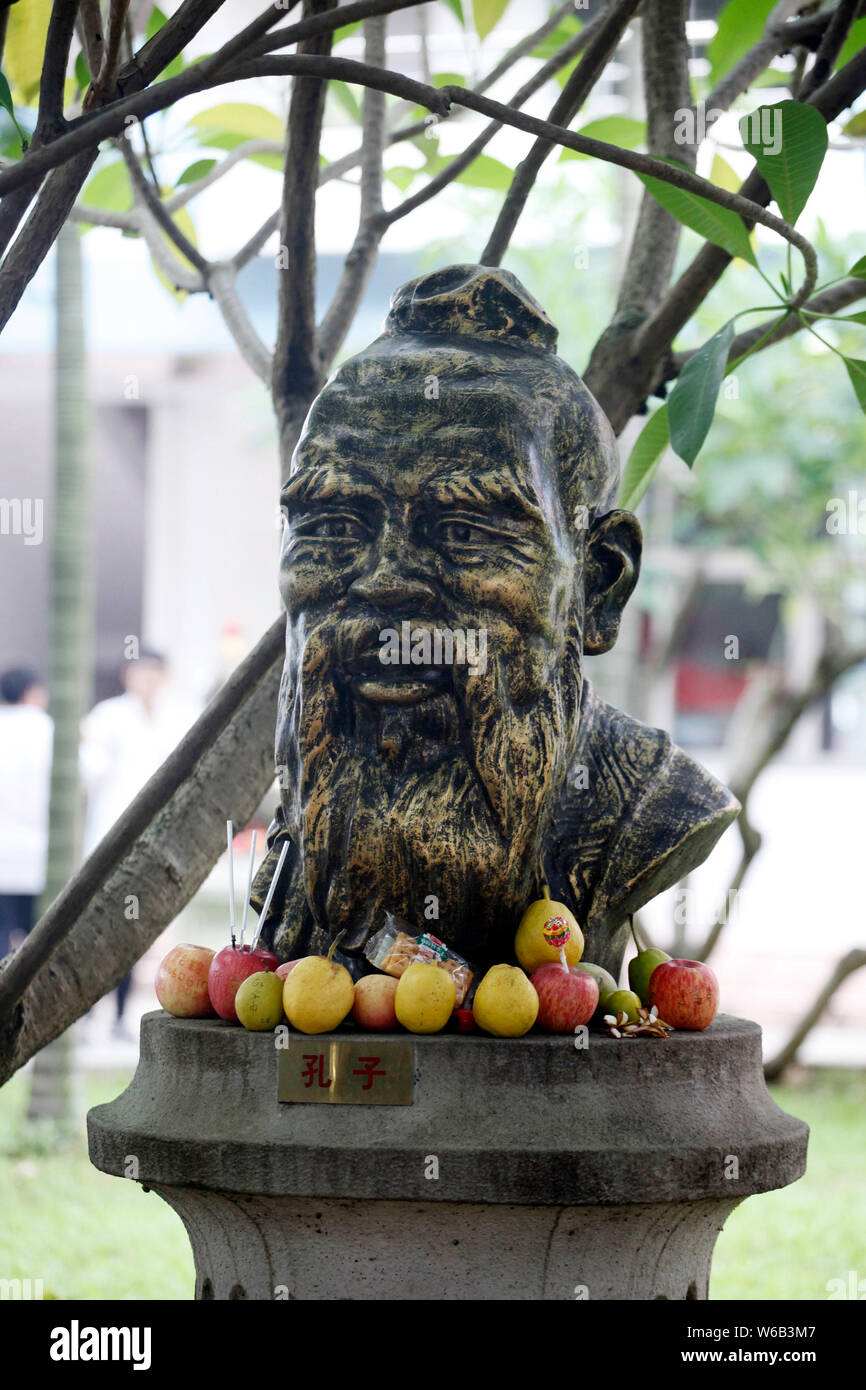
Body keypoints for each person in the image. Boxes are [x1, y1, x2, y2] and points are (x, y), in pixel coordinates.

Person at [80, 647, 198, 1039]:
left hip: (157, 843)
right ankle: (84, 1013)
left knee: (134, 932)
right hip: (108, 840)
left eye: (155, 674)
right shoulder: (108, 717)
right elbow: (88, 770)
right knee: (97, 928)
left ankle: (117, 1015)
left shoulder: (179, 718)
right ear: (129, 676)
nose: (148, 681)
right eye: (141, 673)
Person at [0, 668, 53, 959]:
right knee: (38, 937)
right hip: (39, 854)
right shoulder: (44, 727)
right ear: (32, 693)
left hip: (3, 853)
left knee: (2, 931)